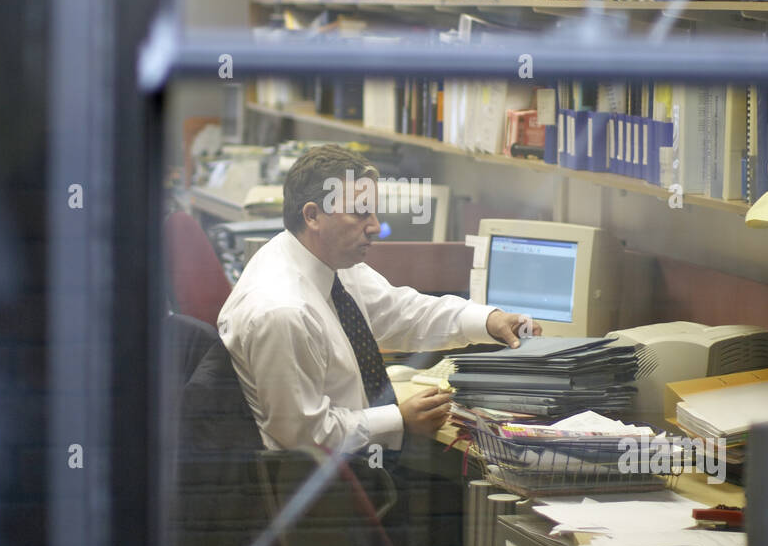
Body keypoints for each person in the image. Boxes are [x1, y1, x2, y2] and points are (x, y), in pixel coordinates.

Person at [218, 143, 541, 462]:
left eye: (374, 212)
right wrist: (398, 420)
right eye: (360, 214)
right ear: (313, 216)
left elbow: (402, 313)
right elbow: (303, 437)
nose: (375, 227)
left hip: (356, 460)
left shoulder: (325, 261)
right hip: (328, 486)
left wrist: (489, 320)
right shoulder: (282, 311)